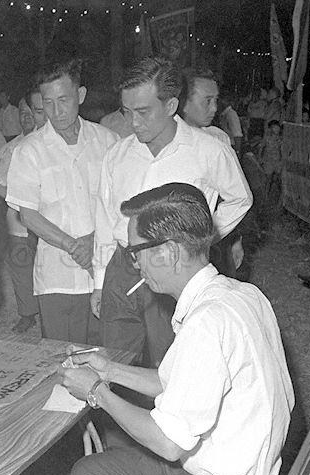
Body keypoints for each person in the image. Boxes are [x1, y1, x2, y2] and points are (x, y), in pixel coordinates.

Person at [53, 182, 294, 475]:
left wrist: (97, 392)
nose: (135, 264)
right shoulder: (241, 294)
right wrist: (109, 370)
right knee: (89, 473)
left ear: (168, 252)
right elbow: (178, 382)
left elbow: (168, 444)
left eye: (135, 252)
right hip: (212, 474)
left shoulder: (206, 323)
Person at [92, 56, 252, 367]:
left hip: (175, 270)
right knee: (115, 361)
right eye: (127, 112)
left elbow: (240, 199)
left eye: (142, 112)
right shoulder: (117, 155)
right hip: (122, 266)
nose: (133, 123)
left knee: (170, 366)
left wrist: (199, 239)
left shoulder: (208, 150)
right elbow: (104, 218)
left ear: (170, 105)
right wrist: (100, 281)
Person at [6, 58, 118, 343]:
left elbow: (118, 204)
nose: (56, 112)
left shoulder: (108, 141)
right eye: (48, 103)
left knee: (104, 354)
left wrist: (94, 241)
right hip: (56, 278)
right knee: (59, 356)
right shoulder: (29, 150)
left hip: (104, 272)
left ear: (80, 95)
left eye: (63, 100)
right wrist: (73, 246)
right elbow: (28, 215)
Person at [0, 89, 45, 333]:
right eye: (22, 113)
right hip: (18, 220)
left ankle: (48, 312)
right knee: (21, 267)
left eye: (30, 112)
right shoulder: (10, 148)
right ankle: (27, 313)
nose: (26, 117)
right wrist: (20, 201)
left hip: (48, 221)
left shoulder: (49, 143)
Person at [177, 68, 231, 145]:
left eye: (216, 100)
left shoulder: (219, 138)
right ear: (184, 103)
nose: (214, 108)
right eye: (208, 101)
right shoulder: (168, 141)